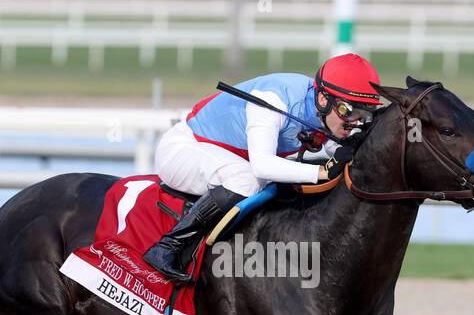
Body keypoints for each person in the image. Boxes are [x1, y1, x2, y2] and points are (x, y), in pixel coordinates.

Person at [142, 53, 382, 282]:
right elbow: (262, 165)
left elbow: (338, 150)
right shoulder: (275, 99)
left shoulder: (325, 110)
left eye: (363, 113)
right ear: (323, 99)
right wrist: (320, 172)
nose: (354, 122)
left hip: (228, 156)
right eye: (348, 111)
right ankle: (168, 247)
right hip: (184, 148)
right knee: (247, 180)